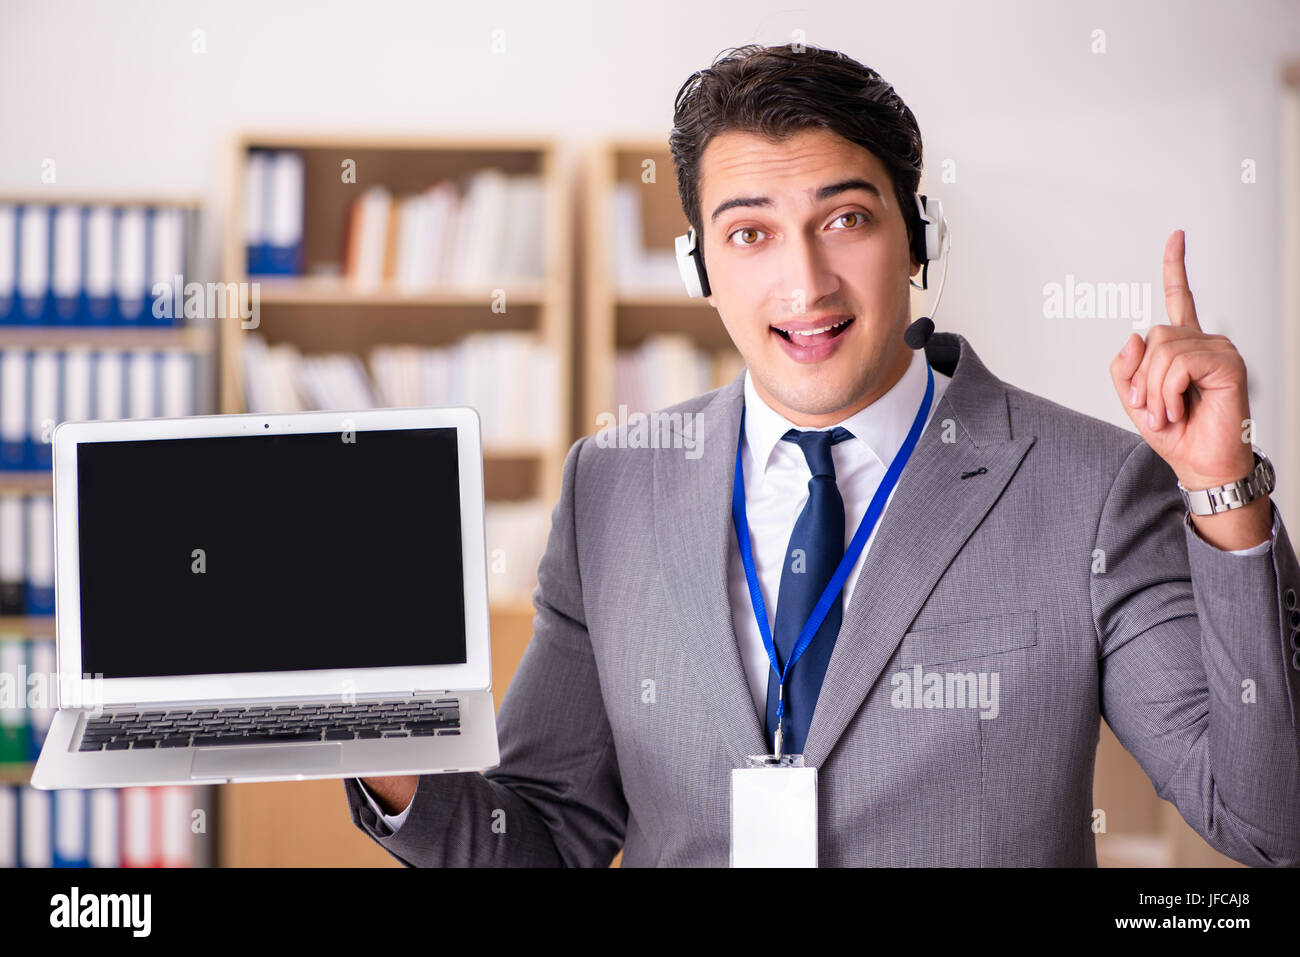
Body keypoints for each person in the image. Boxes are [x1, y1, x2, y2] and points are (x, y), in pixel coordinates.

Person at [343, 43, 1300, 866]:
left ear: (918, 240)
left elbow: (1267, 821)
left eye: (846, 219)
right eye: (750, 232)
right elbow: (545, 836)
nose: (804, 282)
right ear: (701, 271)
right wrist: (378, 735)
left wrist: (1224, 487)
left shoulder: (1087, 485)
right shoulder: (612, 489)